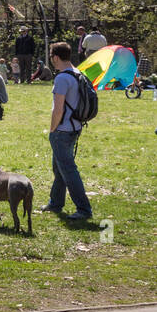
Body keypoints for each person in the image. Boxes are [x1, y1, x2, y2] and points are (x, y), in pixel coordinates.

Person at [44, 42, 93, 220]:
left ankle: (84, 209)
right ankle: (55, 203)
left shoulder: (62, 78)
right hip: (76, 126)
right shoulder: (79, 73)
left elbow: (58, 110)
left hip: (62, 130)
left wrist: (52, 130)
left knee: (68, 170)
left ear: (56, 57)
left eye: (51, 57)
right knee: (59, 168)